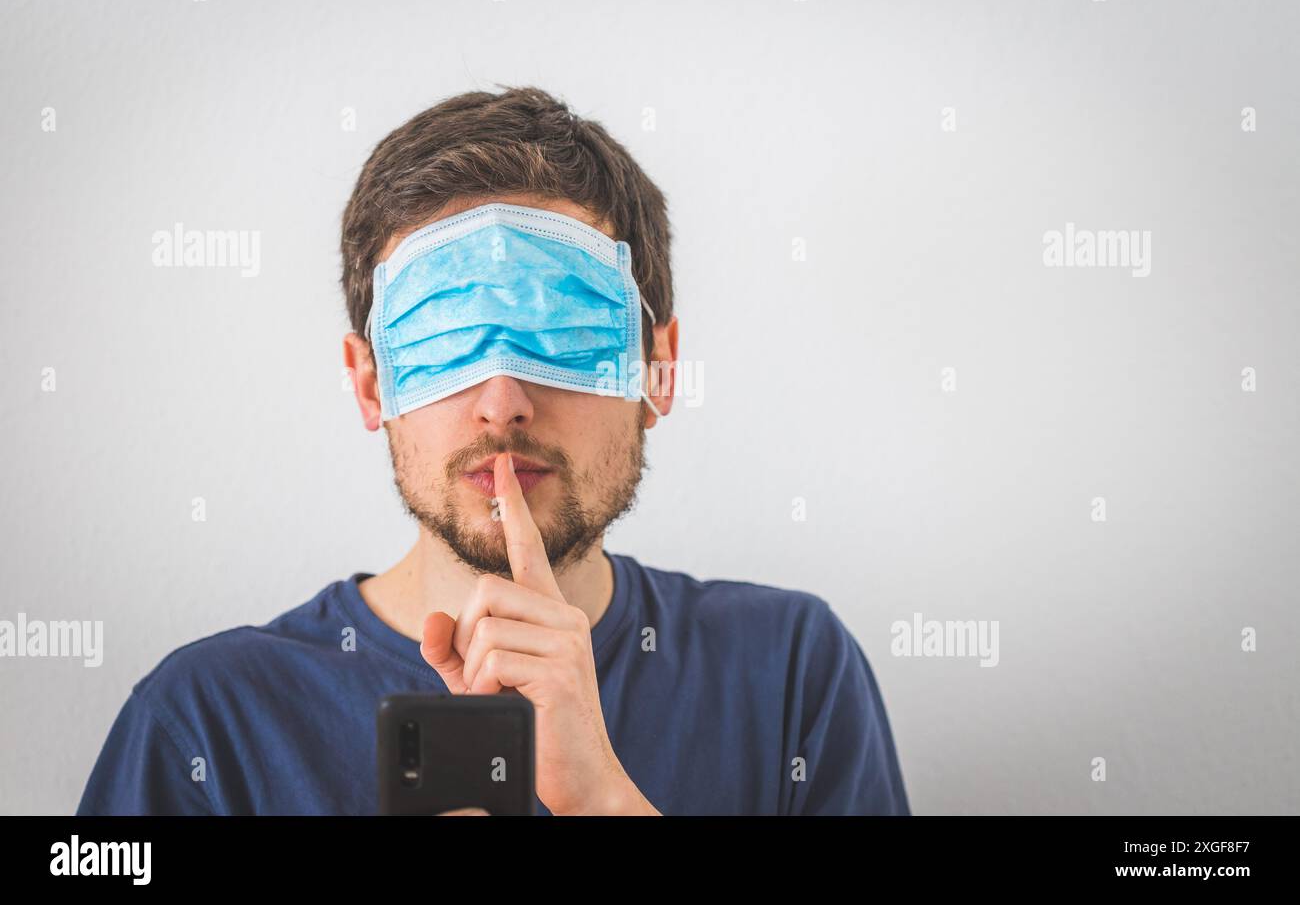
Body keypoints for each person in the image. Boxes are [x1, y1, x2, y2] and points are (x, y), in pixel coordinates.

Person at [76, 86, 909, 815]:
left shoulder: (792, 670)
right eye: (442, 336)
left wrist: (601, 801)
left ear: (658, 369)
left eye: (567, 330)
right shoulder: (207, 724)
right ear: (371, 386)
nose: (502, 403)